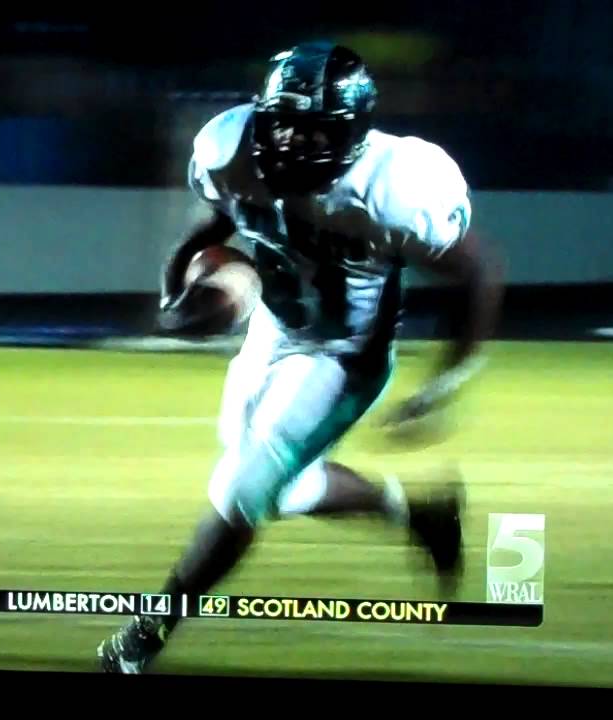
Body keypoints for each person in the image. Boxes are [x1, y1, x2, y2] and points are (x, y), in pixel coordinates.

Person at [98, 41, 501, 674]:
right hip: (273, 331)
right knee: (277, 491)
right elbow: (211, 229)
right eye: (282, 121)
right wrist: (183, 293)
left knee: (240, 488)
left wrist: (446, 382)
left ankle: (147, 633)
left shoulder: (395, 186)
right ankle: (419, 516)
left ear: (352, 135)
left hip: (343, 356)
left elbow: (479, 274)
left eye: (314, 130)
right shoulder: (230, 149)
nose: (290, 141)